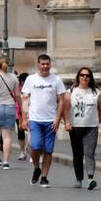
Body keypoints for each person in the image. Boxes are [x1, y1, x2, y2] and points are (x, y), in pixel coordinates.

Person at [22, 53, 66, 187]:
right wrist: (24, 119)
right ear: (38, 65)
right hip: (35, 119)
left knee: (48, 150)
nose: (45, 67)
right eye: (42, 64)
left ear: (50, 65)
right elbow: (25, 99)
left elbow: (62, 101)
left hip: (50, 120)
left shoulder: (56, 80)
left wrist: (58, 120)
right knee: (35, 147)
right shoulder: (31, 79)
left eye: (47, 64)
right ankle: (36, 168)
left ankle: (44, 177)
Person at [64, 66, 101, 190]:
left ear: (90, 78)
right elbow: (65, 109)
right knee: (77, 154)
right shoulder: (71, 92)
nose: (84, 77)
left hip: (91, 126)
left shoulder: (96, 92)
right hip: (75, 126)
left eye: (87, 76)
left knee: (90, 153)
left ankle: (90, 178)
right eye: (82, 75)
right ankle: (79, 179)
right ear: (78, 77)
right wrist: (66, 122)